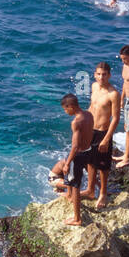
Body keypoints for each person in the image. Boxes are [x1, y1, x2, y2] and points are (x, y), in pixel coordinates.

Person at [48, 94, 95, 226]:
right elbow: (90, 133)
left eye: (65, 109)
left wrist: (68, 163)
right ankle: (69, 196)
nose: (65, 111)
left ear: (71, 106)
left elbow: (75, 146)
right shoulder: (89, 115)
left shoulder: (76, 122)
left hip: (78, 155)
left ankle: (77, 218)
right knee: (74, 181)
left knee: (75, 186)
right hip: (88, 151)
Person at [81, 62, 121, 208]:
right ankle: (90, 190)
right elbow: (92, 107)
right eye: (98, 74)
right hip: (90, 129)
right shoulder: (93, 87)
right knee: (90, 161)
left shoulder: (113, 94)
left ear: (109, 75)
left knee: (103, 166)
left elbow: (116, 118)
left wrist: (106, 139)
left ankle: (103, 193)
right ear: (94, 74)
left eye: (104, 74)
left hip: (103, 132)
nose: (101, 77)